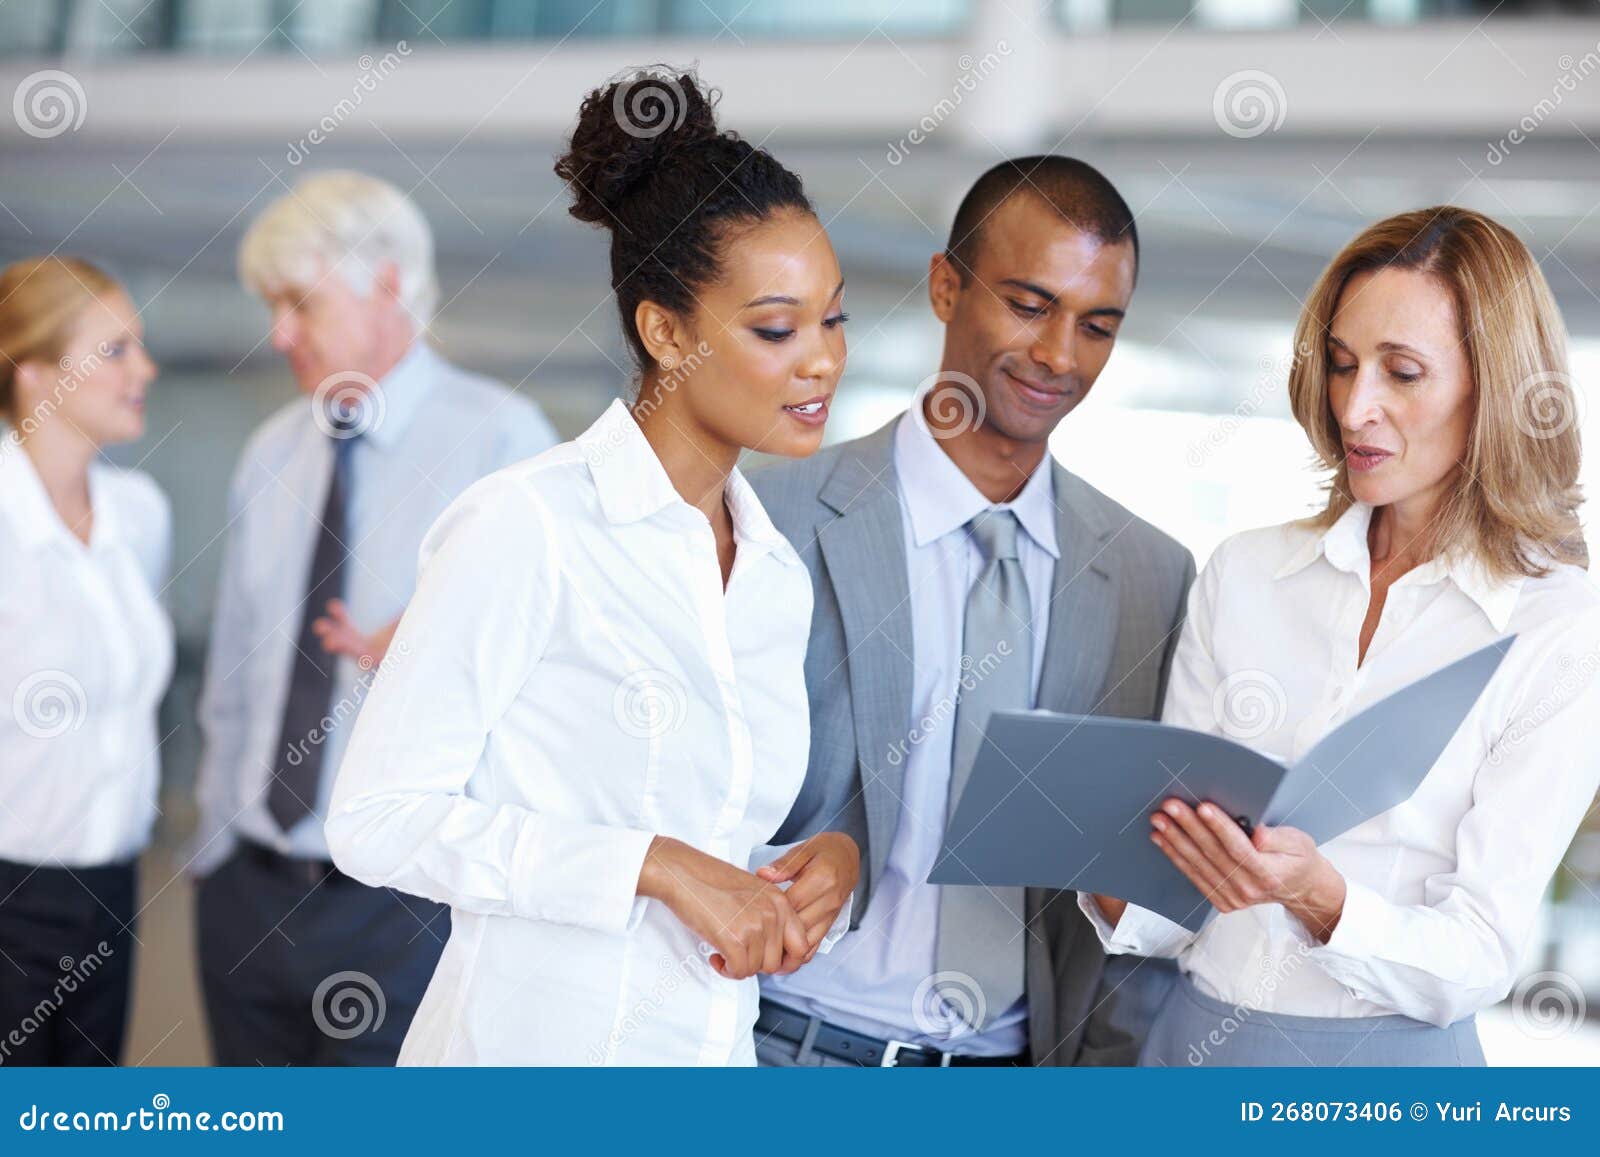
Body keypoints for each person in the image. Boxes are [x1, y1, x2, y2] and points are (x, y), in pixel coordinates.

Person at [324, 68, 860, 1066]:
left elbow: (706, 833)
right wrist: (648, 866)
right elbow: (375, 819)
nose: (823, 358)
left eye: (833, 318)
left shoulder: (774, 572)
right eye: (777, 327)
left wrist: (812, 869)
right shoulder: (528, 524)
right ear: (666, 331)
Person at [1085, 206, 1600, 1066]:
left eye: (1402, 373)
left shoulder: (1556, 625)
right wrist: (1105, 881)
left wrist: (1324, 899)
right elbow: (1175, 888)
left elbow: (1479, 951)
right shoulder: (1246, 572)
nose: (1356, 407)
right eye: (1341, 364)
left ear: (1497, 389)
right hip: (1191, 1045)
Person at [749, 157, 1195, 1067]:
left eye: (1098, 325)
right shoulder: (774, 519)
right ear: (946, 286)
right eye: (1030, 305)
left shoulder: (1153, 575)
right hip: (784, 1049)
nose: (1060, 356)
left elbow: (1138, 893)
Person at [191, 171, 560, 1066]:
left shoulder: (506, 445)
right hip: (248, 885)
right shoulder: (272, 449)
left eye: (297, 303)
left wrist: (437, 647)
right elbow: (236, 668)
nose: (278, 332)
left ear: (387, 283)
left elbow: (555, 682)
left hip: (400, 901)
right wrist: (213, 852)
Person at [0, 256, 172, 1065]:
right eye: (113, 350)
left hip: (111, 892)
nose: (145, 369)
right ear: (35, 374)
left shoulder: (139, 515)